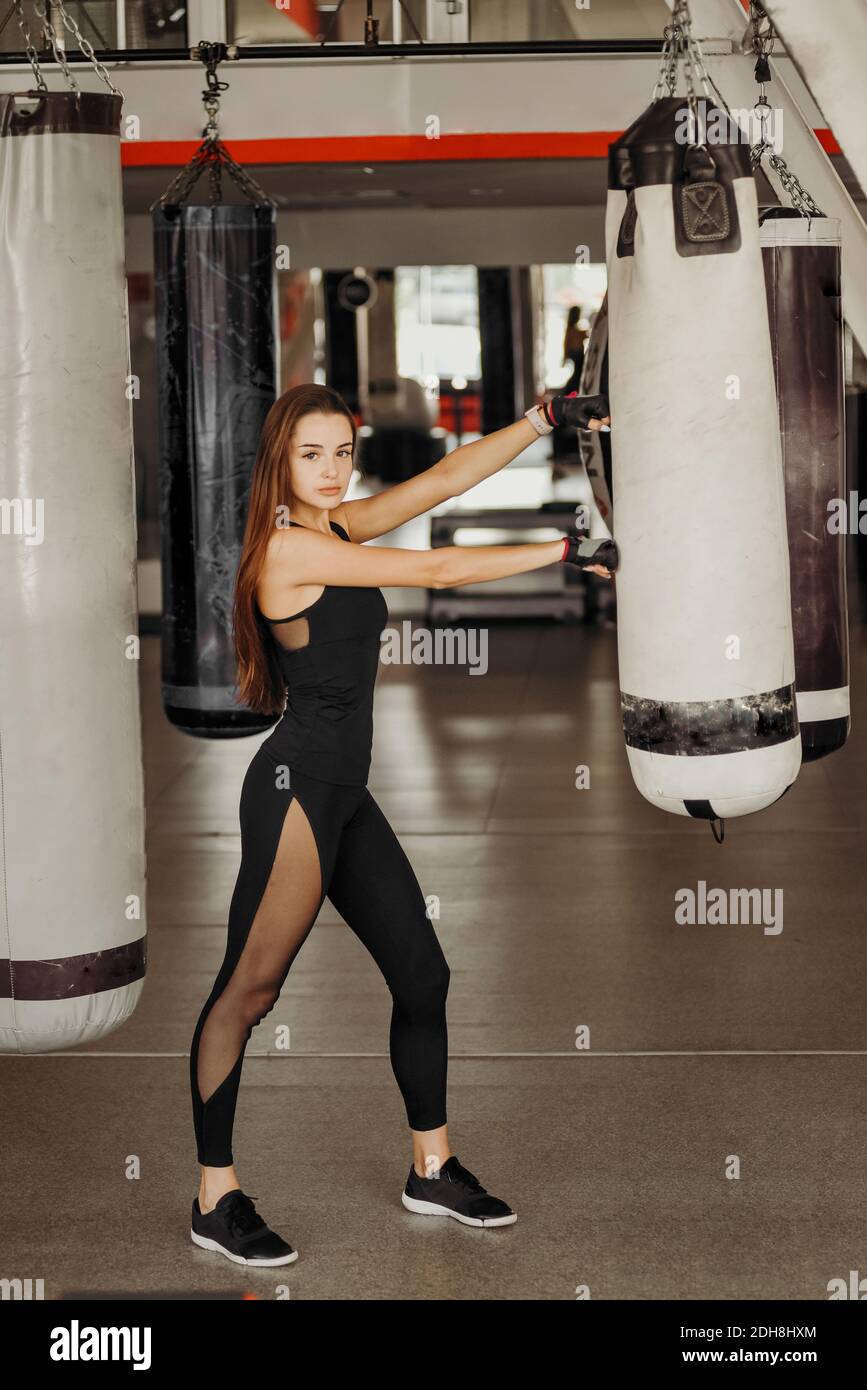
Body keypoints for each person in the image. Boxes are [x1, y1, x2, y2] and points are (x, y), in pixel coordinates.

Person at [188, 382, 616, 1266]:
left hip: (347, 792)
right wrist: (568, 547)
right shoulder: (287, 552)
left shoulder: (338, 528)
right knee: (249, 991)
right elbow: (436, 571)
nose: (333, 469)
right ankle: (214, 1194)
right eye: (312, 454)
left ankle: (431, 1167)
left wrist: (539, 420)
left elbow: (447, 477)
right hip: (295, 787)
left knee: (422, 975)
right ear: (280, 460)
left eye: (342, 450)